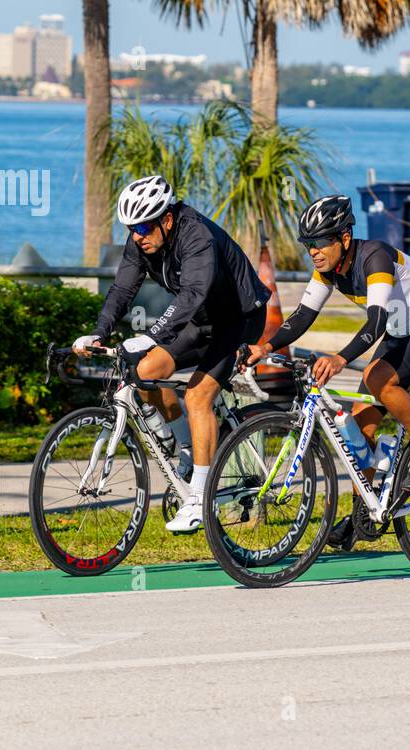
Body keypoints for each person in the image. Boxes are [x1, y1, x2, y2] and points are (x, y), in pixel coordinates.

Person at [242, 195, 410, 550]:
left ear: (344, 238)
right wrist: (265, 347)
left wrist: (341, 359)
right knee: (362, 430)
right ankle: (367, 512)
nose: (313, 251)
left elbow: (375, 322)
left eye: (320, 242)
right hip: (401, 331)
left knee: (379, 380)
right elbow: (302, 316)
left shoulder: (375, 257)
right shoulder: (328, 269)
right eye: (307, 244)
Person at [72, 175, 271, 534]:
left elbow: (192, 294)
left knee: (197, 397)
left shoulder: (197, 237)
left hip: (237, 321)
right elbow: (122, 289)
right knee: (143, 371)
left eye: (144, 227)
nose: (137, 236)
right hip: (199, 320)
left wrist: (151, 335)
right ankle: (185, 448)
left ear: (167, 219)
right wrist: (99, 331)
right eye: (131, 228)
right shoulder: (142, 242)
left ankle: (198, 498)